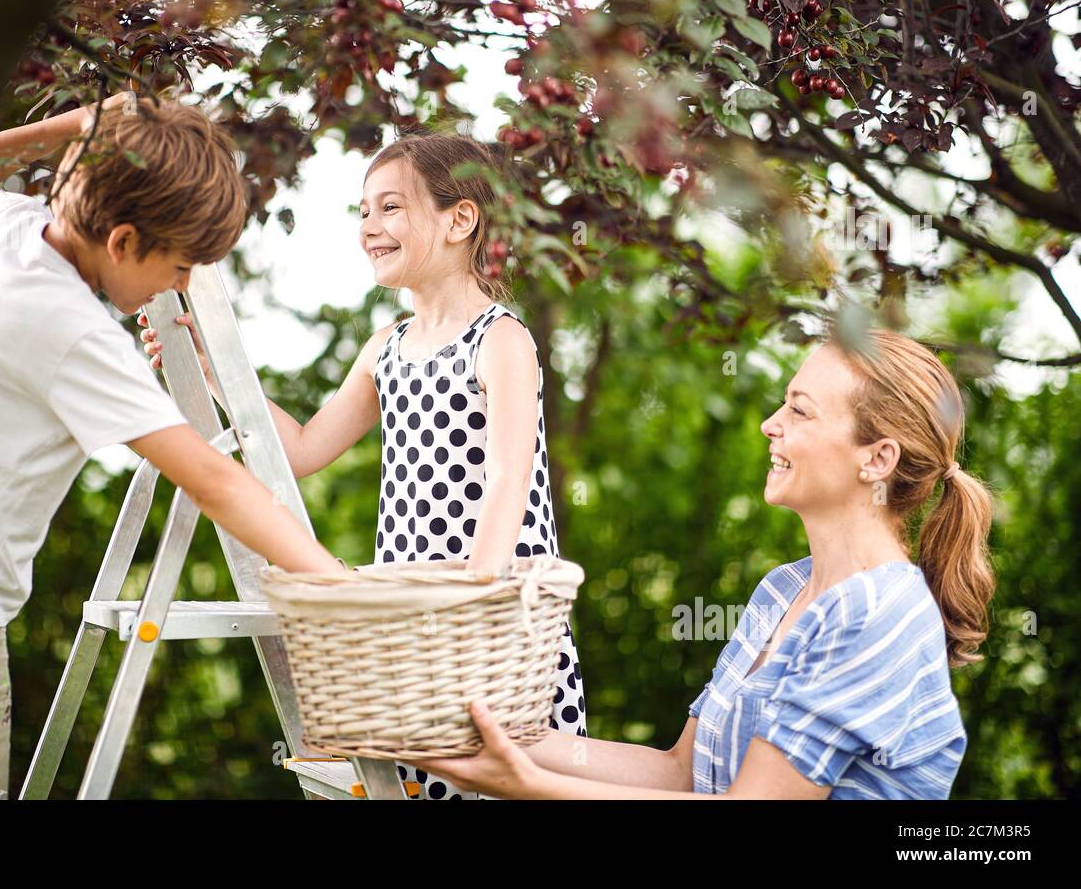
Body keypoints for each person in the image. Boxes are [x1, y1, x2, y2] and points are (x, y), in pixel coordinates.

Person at [0, 93, 342, 800]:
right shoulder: (72, 330)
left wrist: (71, 125)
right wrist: (338, 586)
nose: (181, 286)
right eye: (178, 268)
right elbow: (214, 480)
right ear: (123, 242)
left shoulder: (11, 226)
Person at [140, 132, 586, 799]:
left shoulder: (500, 340)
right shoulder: (387, 348)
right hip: (411, 637)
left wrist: (469, 613)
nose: (369, 228)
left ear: (460, 220)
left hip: (493, 636)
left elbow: (507, 482)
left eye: (390, 209)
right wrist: (211, 372)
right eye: (363, 212)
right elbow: (301, 449)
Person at [407, 329, 995, 799]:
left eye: (800, 410)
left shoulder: (878, 614)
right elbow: (683, 772)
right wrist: (487, 733)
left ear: (877, 459)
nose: (771, 423)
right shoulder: (783, 590)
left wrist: (532, 787)